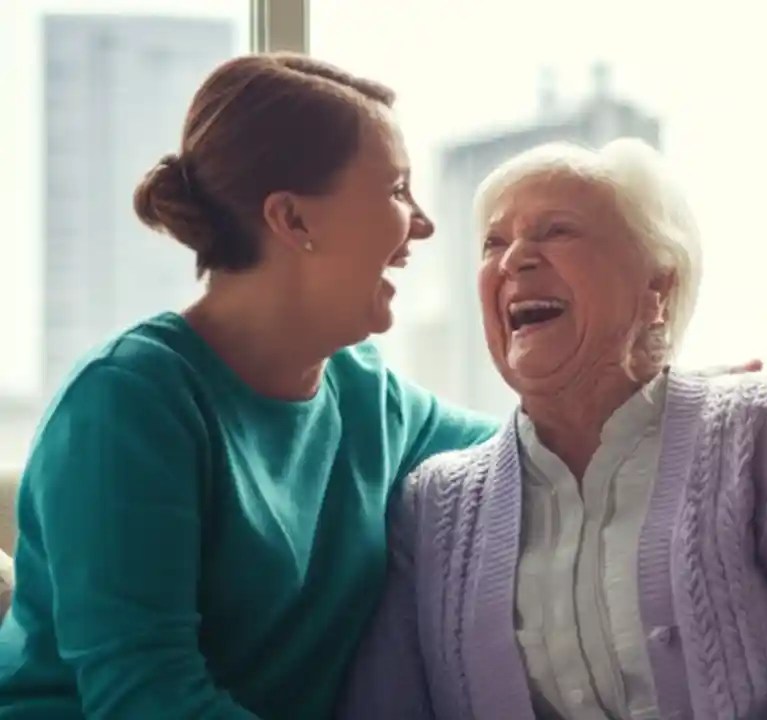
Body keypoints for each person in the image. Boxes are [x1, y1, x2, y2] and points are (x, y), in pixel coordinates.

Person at [341, 139, 767, 719]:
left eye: (557, 231)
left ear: (659, 285)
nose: (514, 257)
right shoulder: (435, 502)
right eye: (494, 242)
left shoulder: (764, 429)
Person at [0, 53, 499, 719]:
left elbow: (535, 449)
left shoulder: (367, 394)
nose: (423, 224)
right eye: (397, 191)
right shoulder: (125, 402)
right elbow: (144, 698)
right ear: (292, 220)